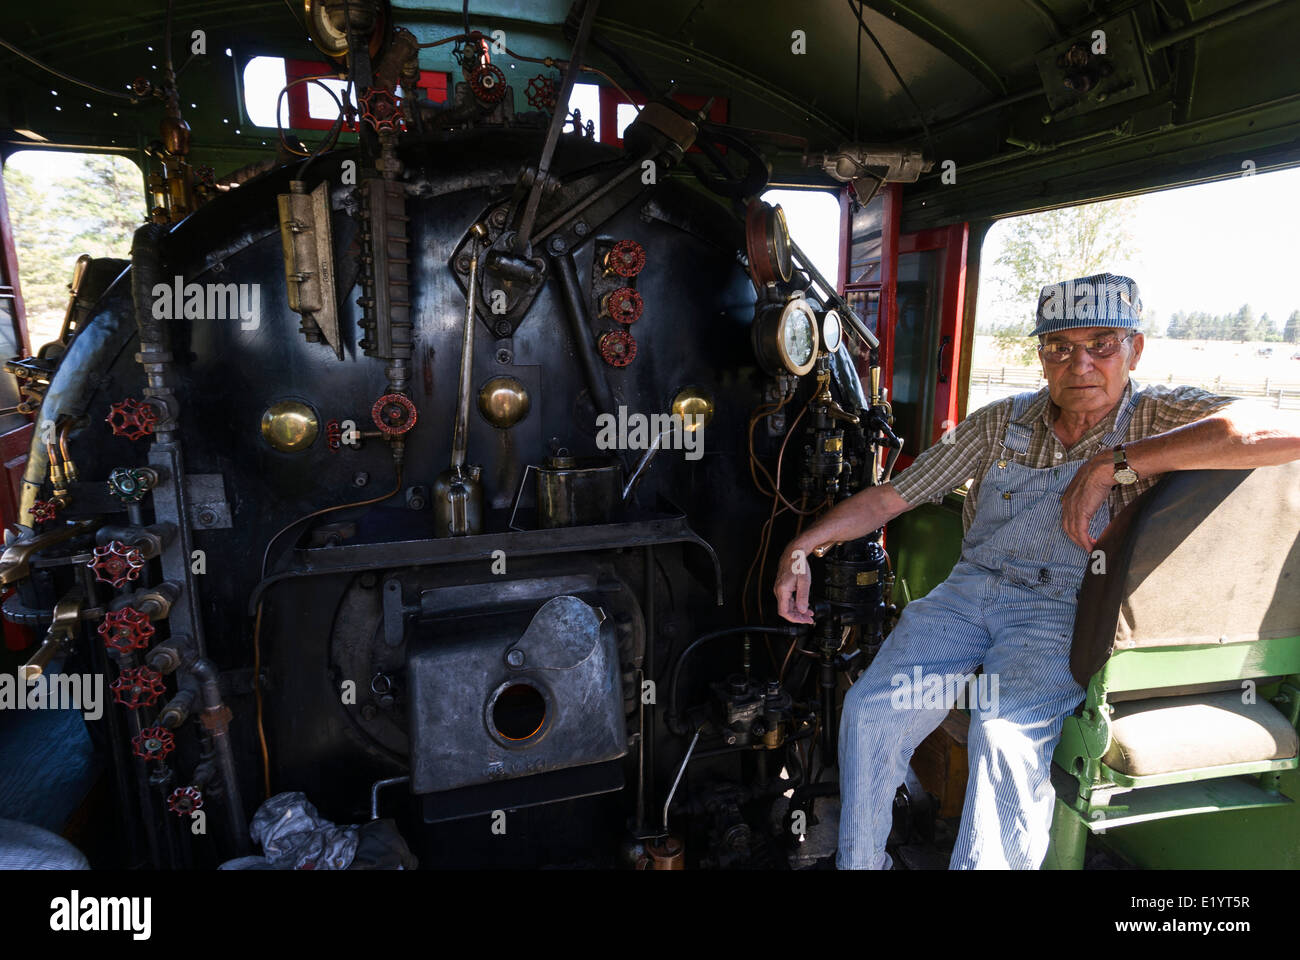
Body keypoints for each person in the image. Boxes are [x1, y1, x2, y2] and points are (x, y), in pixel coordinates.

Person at [773, 272, 1300, 869]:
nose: (1081, 364)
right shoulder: (1000, 423)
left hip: (1062, 610)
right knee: (873, 709)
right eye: (1060, 347)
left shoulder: (1157, 413)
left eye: (1102, 344)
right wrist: (804, 546)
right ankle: (861, 862)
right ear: (1042, 357)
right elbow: (893, 496)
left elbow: (1279, 430)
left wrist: (1113, 463)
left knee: (1002, 737)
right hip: (966, 599)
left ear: (1135, 348)